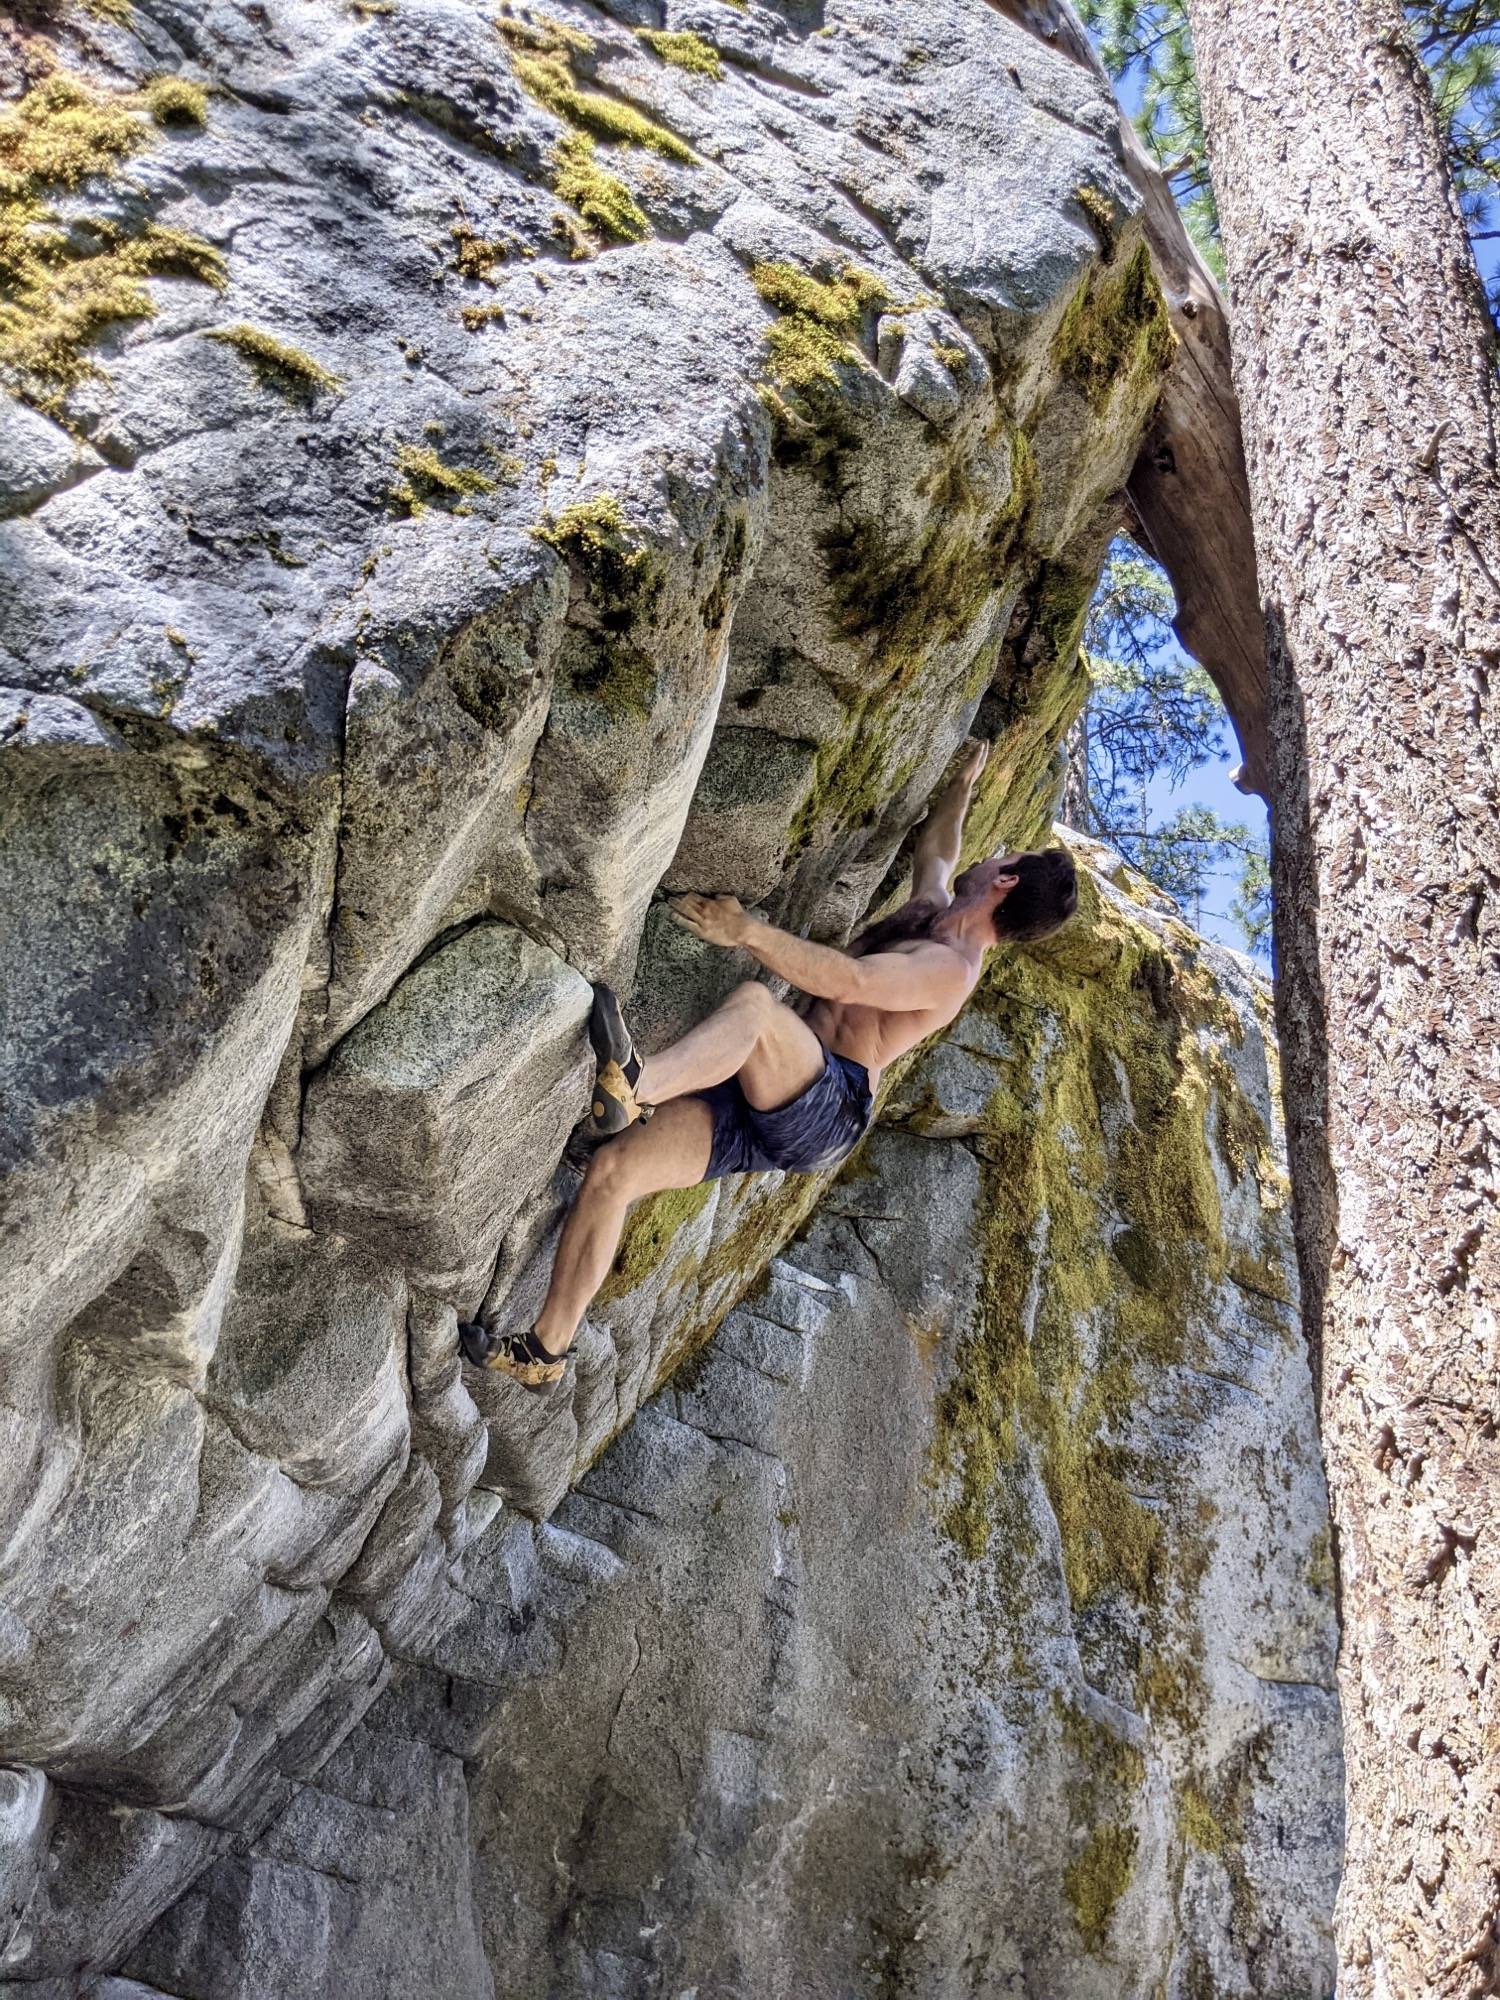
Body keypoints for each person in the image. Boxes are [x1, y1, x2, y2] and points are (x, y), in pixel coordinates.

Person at [458, 741, 1078, 1388]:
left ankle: (637, 1085)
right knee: (615, 1172)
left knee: (755, 1009)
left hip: (826, 1108)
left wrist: (746, 931)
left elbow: (851, 979)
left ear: (1006, 880)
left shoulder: (950, 972)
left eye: (1008, 857)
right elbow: (939, 849)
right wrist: (964, 783)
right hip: (770, 1096)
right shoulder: (934, 912)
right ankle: (546, 1353)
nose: (994, 853)